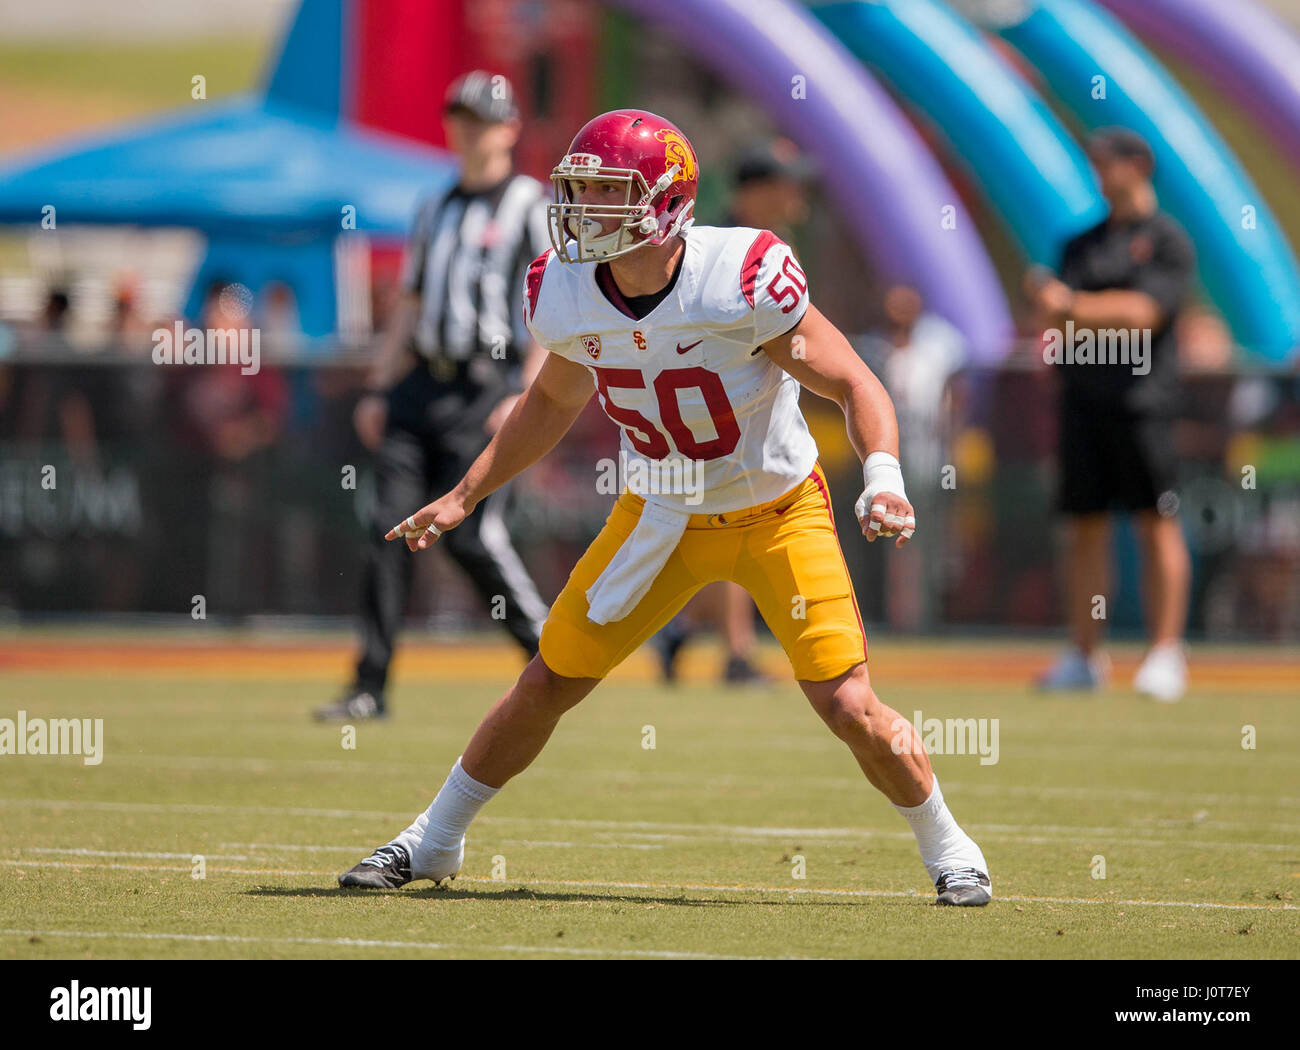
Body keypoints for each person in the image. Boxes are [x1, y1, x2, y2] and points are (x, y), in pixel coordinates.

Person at [335, 109, 992, 907]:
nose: (586, 210)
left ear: (668, 203)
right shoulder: (569, 288)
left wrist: (883, 475)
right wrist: (465, 494)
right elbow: (548, 406)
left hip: (775, 508)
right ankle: (433, 841)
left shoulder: (740, 273)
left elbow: (853, 380)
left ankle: (950, 846)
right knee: (547, 682)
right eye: (580, 191)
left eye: (608, 195)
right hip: (661, 513)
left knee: (850, 705)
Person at [314, 71, 551, 721]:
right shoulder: (434, 207)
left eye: (481, 118)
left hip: (487, 385)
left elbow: (555, 308)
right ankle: (370, 685)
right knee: (385, 526)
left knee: (472, 534)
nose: (468, 130)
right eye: (460, 117)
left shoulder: (532, 206)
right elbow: (411, 304)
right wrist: (379, 385)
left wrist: (527, 389)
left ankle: (552, 656)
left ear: (509, 127)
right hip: (421, 383)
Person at [1027, 127, 1195, 702]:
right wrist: (1067, 312)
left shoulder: (1168, 240)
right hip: (1084, 402)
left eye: (1107, 163)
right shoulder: (1081, 243)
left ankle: (1165, 652)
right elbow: (1054, 320)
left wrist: (1073, 306)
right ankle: (1084, 654)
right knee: (1084, 529)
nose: (1098, 174)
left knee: (1156, 522)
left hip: (1143, 405)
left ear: (1137, 166)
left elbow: (1144, 313)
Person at [652, 139, 813, 685]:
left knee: (727, 533)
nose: (796, 194)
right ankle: (738, 651)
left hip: (744, 414)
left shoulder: (768, 249)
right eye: (784, 182)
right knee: (728, 522)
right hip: (705, 417)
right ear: (755, 191)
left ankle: (680, 631)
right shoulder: (714, 252)